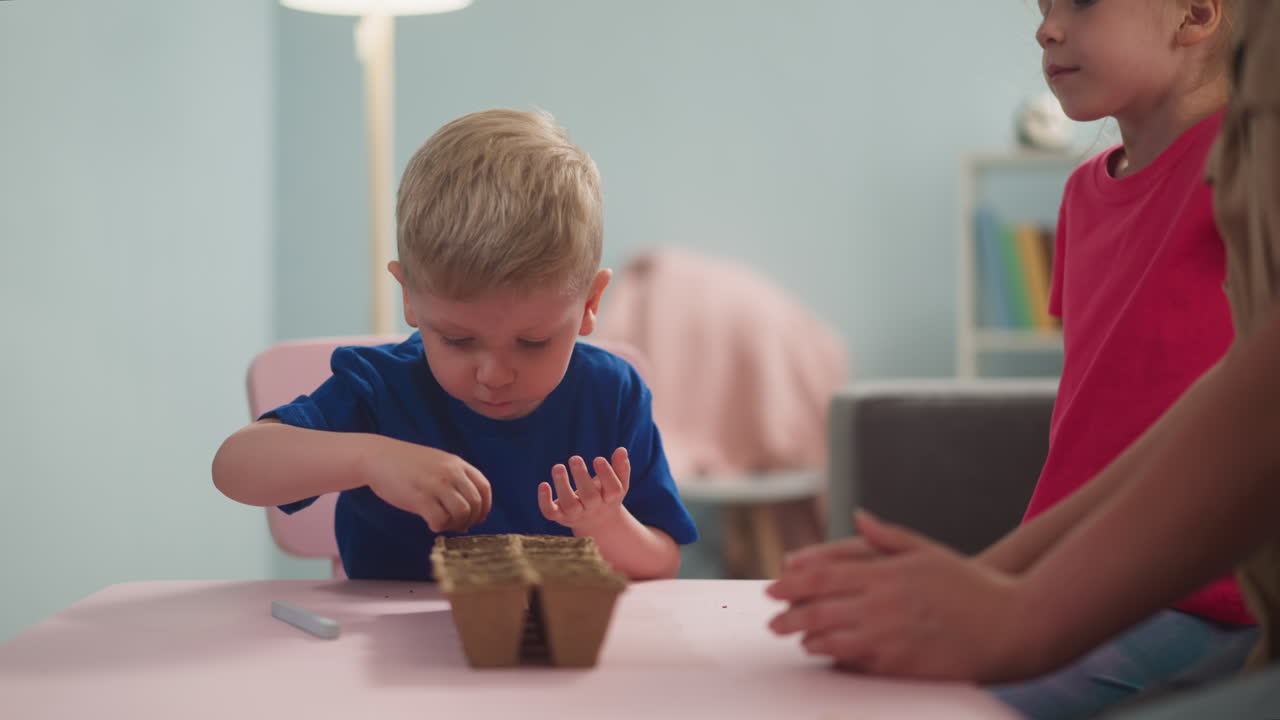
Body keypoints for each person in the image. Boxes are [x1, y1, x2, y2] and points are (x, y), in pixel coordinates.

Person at [769, 1, 1262, 717]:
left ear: (1193, 14)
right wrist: (977, 580)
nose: (1047, 28)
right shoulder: (1081, 196)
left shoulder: (1244, 173)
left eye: (1081, 4)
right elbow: (1098, 415)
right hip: (1075, 581)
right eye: (1043, 7)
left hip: (1206, 600)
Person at [213, 109, 697, 581]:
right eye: (458, 340)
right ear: (409, 298)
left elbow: (661, 563)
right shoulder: (379, 389)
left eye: (533, 342)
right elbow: (233, 466)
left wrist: (605, 526)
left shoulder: (611, 395)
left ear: (590, 303)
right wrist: (371, 458)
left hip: (550, 652)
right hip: (388, 649)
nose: (494, 374)